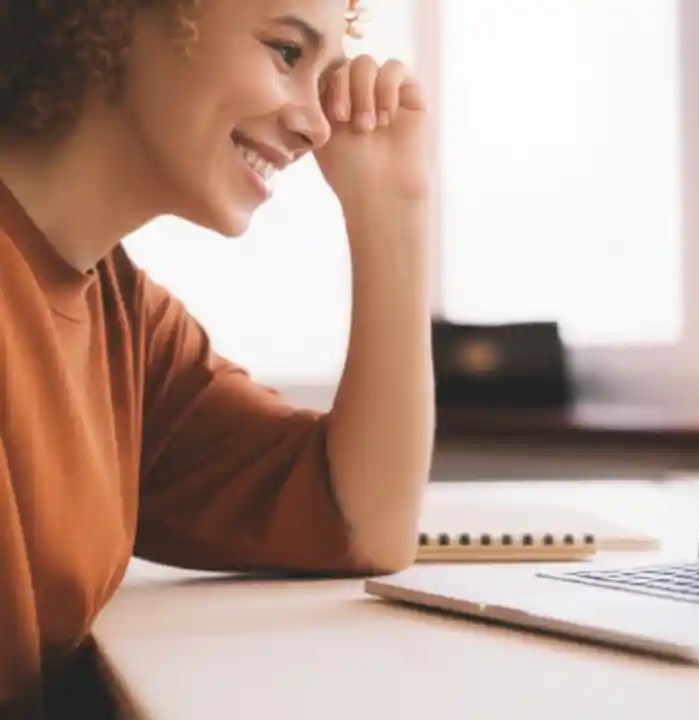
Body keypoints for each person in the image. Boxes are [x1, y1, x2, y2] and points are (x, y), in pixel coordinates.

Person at [0, 1, 433, 714]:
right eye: (287, 53)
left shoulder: (120, 312)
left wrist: (391, 208)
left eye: (326, 77)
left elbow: (357, 521)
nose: (317, 125)